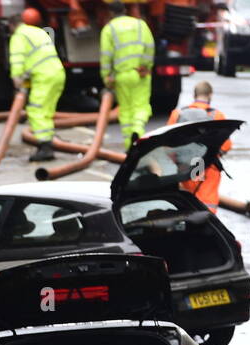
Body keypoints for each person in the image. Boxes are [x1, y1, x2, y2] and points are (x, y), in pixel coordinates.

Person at [9, 7, 65, 161]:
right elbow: (36, 58)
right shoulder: (38, 31)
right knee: (46, 111)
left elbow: (18, 59)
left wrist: (17, 81)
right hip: (57, 73)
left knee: (35, 110)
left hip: (43, 76)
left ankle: (45, 146)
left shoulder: (19, 36)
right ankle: (47, 144)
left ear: (12, 26)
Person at [165, 81, 231, 214]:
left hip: (183, 166)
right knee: (206, 205)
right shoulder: (217, 115)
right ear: (210, 95)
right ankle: (205, 228)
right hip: (206, 166)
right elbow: (226, 145)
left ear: (194, 95)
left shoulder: (177, 114)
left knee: (186, 202)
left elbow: (167, 143)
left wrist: (178, 162)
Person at [99, 0, 154, 147]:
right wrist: (145, 66)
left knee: (125, 110)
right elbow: (149, 47)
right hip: (140, 74)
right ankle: (138, 130)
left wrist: (106, 76)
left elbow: (106, 55)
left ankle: (129, 145)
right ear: (125, 9)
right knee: (141, 106)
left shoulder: (108, 30)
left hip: (121, 76)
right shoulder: (140, 25)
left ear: (110, 13)